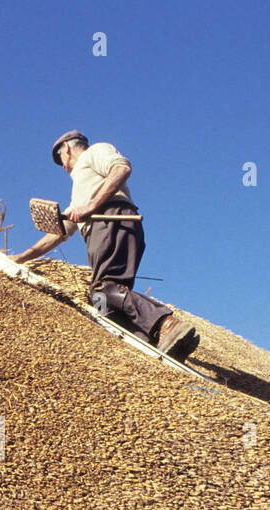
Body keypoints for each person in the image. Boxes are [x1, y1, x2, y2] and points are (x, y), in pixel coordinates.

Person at [12, 130, 198, 359]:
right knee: (104, 305)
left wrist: (90, 206)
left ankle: (166, 323)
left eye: (60, 158)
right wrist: (21, 257)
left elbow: (122, 168)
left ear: (67, 149)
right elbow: (59, 234)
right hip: (102, 231)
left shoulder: (94, 153)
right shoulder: (80, 190)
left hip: (111, 221)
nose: (62, 166)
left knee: (103, 289)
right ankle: (149, 341)